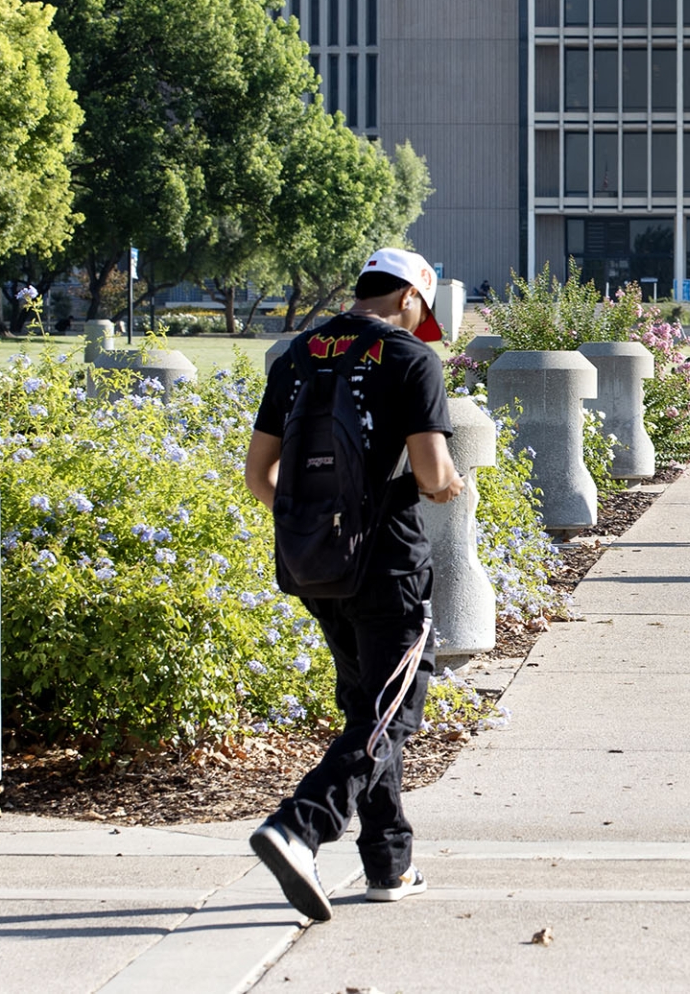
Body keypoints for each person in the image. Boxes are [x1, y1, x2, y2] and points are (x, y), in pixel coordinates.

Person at [243, 247, 463, 922]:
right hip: (389, 564)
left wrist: (319, 524)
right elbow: (429, 472)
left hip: (317, 565)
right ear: (409, 299)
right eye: (421, 311)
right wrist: (449, 483)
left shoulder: (297, 355)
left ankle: (388, 863)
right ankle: (301, 827)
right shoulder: (410, 357)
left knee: (369, 713)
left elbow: (259, 477)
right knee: (393, 712)